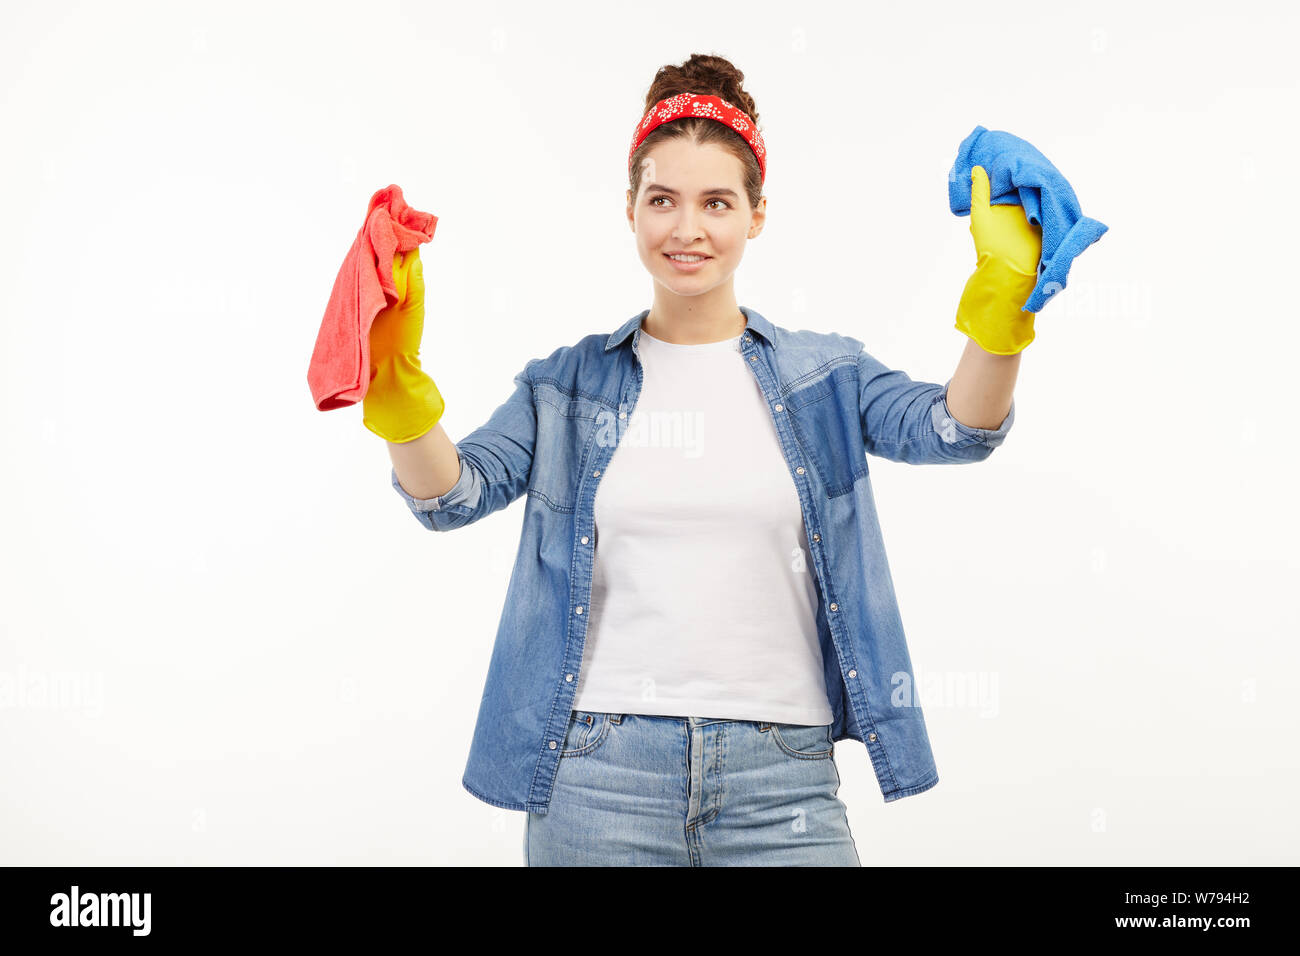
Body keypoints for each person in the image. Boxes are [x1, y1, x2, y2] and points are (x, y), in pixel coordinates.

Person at [369, 53, 1038, 866]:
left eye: (716, 202)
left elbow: (953, 429)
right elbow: (454, 494)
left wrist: (1003, 309)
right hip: (597, 777)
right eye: (663, 200)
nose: (687, 229)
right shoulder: (566, 385)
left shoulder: (826, 376)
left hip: (784, 778)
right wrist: (397, 389)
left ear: (756, 215)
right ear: (629, 210)